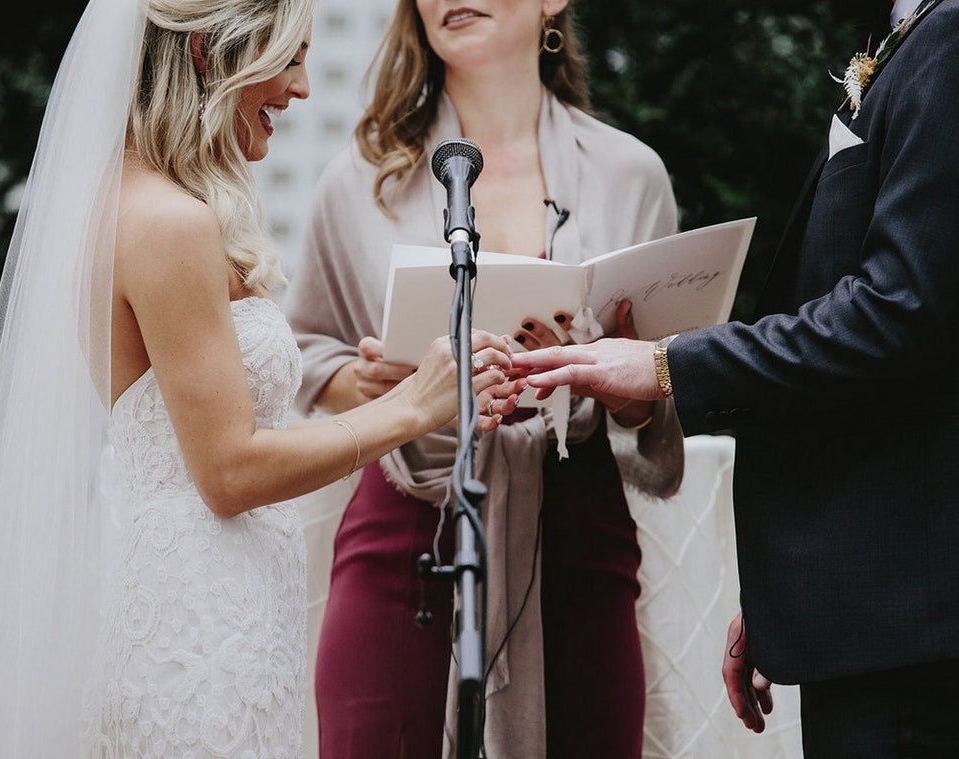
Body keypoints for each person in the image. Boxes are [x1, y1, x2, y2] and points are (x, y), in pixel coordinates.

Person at [0, 0, 513, 755]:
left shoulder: (137, 202)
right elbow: (229, 470)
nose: (302, 88)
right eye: (290, 57)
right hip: (198, 631)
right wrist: (412, 408)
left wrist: (378, 392)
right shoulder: (167, 222)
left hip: (214, 608)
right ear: (214, 51)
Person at [510, 0, 959, 755]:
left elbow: (895, 314)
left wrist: (667, 363)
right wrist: (791, 594)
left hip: (934, 631)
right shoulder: (955, 26)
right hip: (903, 606)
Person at [283, 0, 686, 755]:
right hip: (408, 528)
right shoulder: (361, 178)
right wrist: (376, 389)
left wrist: (623, 387)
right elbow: (308, 352)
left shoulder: (631, 175)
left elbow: (658, 394)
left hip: (577, 533)